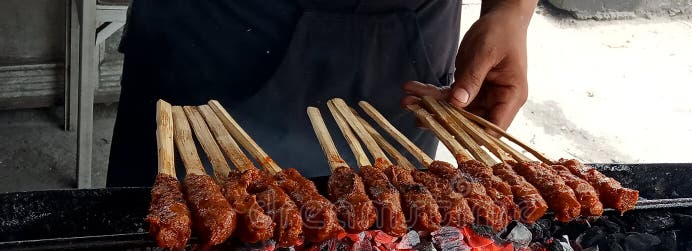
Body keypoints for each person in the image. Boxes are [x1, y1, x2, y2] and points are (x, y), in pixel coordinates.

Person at [106, 0, 537, 187]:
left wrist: (511, 11)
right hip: (219, 26)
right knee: (165, 246)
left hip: (403, 32)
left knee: (384, 220)